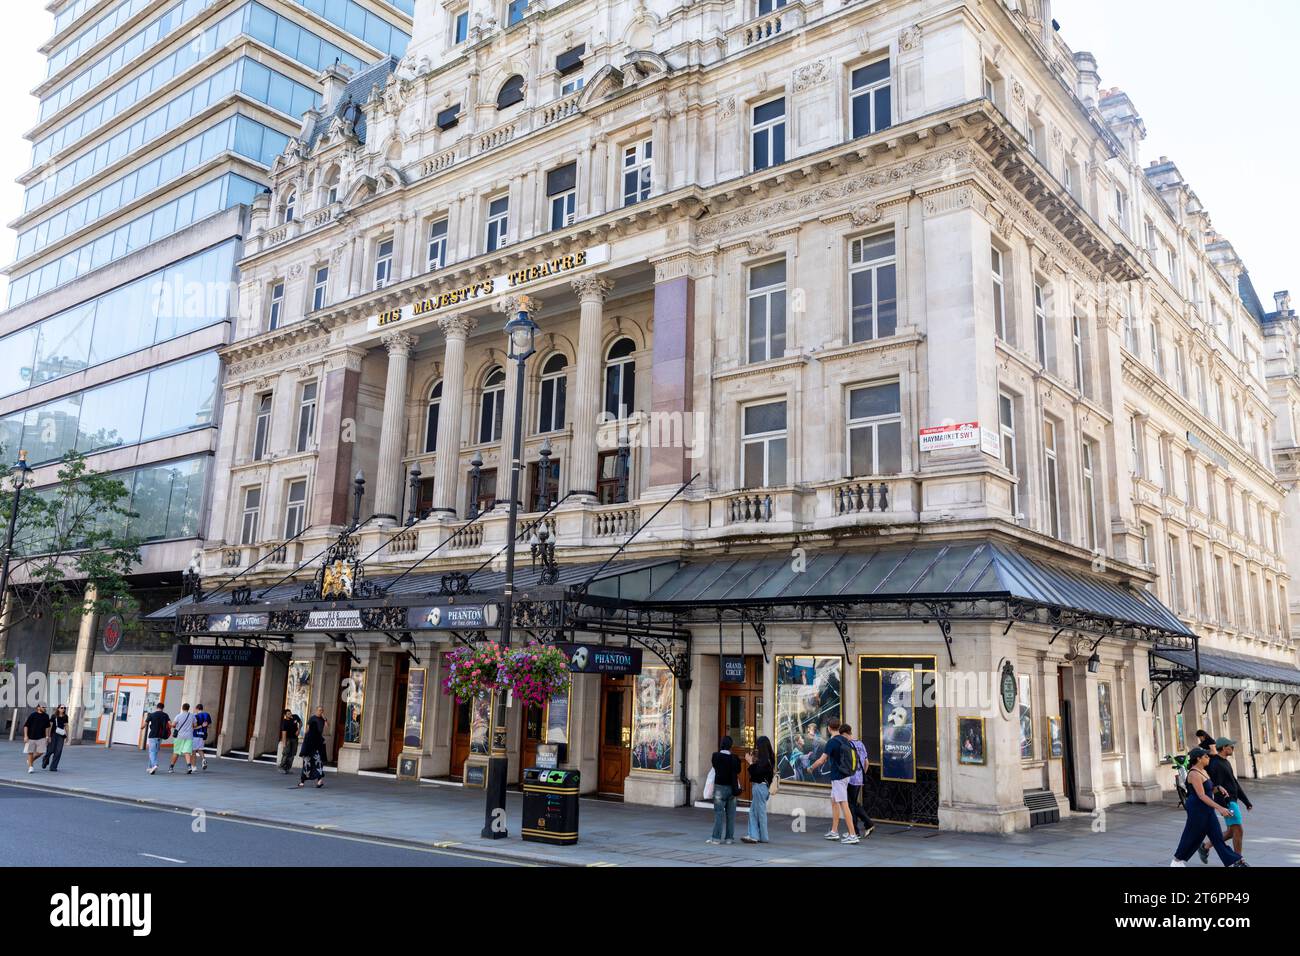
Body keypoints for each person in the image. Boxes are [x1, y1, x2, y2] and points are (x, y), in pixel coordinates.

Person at [1170, 747, 1247, 867]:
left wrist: (1218, 788)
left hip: (1207, 808)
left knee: (1217, 838)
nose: (1208, 758)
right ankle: (1177, 860)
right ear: (1199, 759)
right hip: (1197, 809)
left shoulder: (1203, 771)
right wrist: (1220, 808)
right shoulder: (1194, 773)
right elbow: (1201, 795)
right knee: (1192, 836)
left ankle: (1235, 861)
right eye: (1206, 756)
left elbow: (1208, 789)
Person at [809, 718, 859, 844]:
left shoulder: (832, 742)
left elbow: (822, 760)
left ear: (829, 728)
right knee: (834, 801)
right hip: (846, 775)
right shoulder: (844, 739)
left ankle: (853, 834)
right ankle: (834, 831)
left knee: (844, 804)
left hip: (838, 777)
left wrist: (811, 768)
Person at [1206, 738, 1252, 858]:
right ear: (1224, 747)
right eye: (1231, 746)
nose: (1233, 748)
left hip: (1232, 800)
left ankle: (1205, 846)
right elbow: (1216, 786)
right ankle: (1238, 859)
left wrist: (1246, 801)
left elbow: (1234, 783)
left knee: (1231, 832)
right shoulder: (1215, 764)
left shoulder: (1225, 762)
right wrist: (1225, 805)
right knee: (1238, 830)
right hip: (1227, 802)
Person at [706, 735, 743, 845]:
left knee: (718, 813)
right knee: (731, 815)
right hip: (732, 788)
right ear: (731, 746)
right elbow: (738, 770)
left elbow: (715, 766)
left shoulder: (715, 756)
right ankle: (729, 838)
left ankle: (716, 838)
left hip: (719, 788)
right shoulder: (735, 758)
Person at [843, 725, 875, 840]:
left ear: (844, 734)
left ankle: (856, 830)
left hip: (850, 779)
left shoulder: (848, 745)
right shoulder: (860, 744)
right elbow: (867, 763)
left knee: (851, 805)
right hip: (859, 778)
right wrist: (862, 775)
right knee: (853, 803)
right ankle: (866, 825)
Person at [742, 735, 776, 845]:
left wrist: (750, 762)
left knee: (754, 813)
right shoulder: (770, 758)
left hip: (759, 787)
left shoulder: (764, 761)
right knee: (758, 812)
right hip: (764, 788)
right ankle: (762, 836)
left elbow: (756, 774)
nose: (756, 748)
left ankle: (753, 836)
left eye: (758, 746)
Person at [298, 706, 328, 788]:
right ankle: (317, 781)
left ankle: (303, 782)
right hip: (312, 750)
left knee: (309, 765)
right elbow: (308, 729)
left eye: (322, 710)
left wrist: (325, 719)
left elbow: (327, 727)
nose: (320, 712)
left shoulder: (322, 721)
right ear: (316, 710)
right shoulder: (312, 719)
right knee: (316, 764)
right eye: (319, 710)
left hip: (311, 750)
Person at [22, 704, 51, 773]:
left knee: (41, 752)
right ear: (38, 708)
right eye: (43, 707)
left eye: (45, 707)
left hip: (41, 737)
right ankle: (31, 767)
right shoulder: (33, 715)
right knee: (30, 752)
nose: (44, 708)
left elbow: (47, 727)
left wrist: (47, 736)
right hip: (31, 737)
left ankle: (30, 760)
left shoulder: (46, 716)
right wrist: (25, 736)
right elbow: (26, 726)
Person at [168, 703, 197, 774]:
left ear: (182, 708)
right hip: (189, 736)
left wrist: (170, 724)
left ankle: (171, 767)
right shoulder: (192, 716)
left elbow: (174, 725)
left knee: (176, 752)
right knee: (187, 752)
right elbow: (195, 725)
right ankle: (189, 766)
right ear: (188, 708)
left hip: (179, 736)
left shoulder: (178, 716)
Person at [144, 702, 171, 775]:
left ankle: (155, 764)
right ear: (163, 708)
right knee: (154, 751)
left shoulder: (151, 715)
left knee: (152, 752)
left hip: (153, 736)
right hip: (160, 736)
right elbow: (170, 724)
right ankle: (150, 767)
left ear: (157, 707)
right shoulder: (165, 715)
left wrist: (141, 727)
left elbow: (145, 724)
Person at [41, 705, 70, 771]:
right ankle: (45, 759)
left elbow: (66, 726)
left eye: (64, 708)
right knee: (50, 750)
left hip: (61, 735)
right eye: (61, 708)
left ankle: (53, 767)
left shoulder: (65, 716)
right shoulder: (54, 716)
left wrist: (68, 736)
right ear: (58, 709)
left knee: (58, 751)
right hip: (53, 734)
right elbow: (50, 726)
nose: (63, 709)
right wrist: (48, 736)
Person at [279, 708, 301, 774]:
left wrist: (298, 730)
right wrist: (284, 743)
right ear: (285, 715)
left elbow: (301, 723)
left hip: (295, 738)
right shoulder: (284, 722)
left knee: (293, 754)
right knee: (286, 753)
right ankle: (281, 767)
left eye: (290, 713)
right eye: (288, 714)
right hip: (288, 738)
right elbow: (284, 733)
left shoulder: (295, 717)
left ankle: (288, 768)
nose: (290, 714)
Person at [192, 703, 212, 770]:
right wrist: (204, 726)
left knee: (194, 751)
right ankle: (203, 759)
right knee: (200, 749)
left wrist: (200, 726)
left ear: (197, 708)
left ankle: (194, 767)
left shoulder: (195, 716)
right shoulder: (207, 715)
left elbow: (193, 727)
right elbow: (209, 726)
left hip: (195, 735)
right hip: (203, 735)